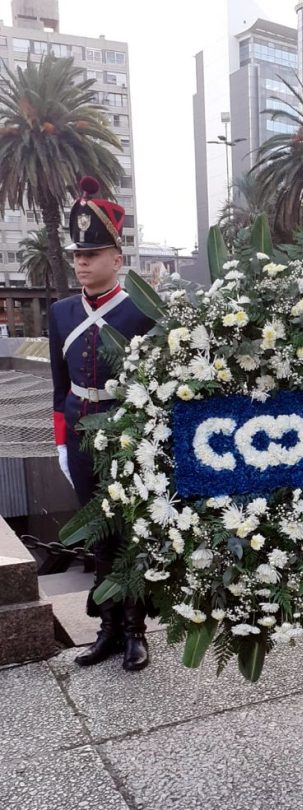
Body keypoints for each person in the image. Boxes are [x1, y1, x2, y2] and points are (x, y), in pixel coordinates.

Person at [49, 176, 155, 671]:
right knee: (97, 536)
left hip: (128, 435)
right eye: (77, 254)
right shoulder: (61, 313)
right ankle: (107, 628)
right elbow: (57, 386)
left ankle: (135, 630)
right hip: (79, 432)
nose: (82, 262)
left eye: (93, 253)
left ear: (117, 257)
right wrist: (62, 445)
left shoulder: (141, 311)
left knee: (130, 532)